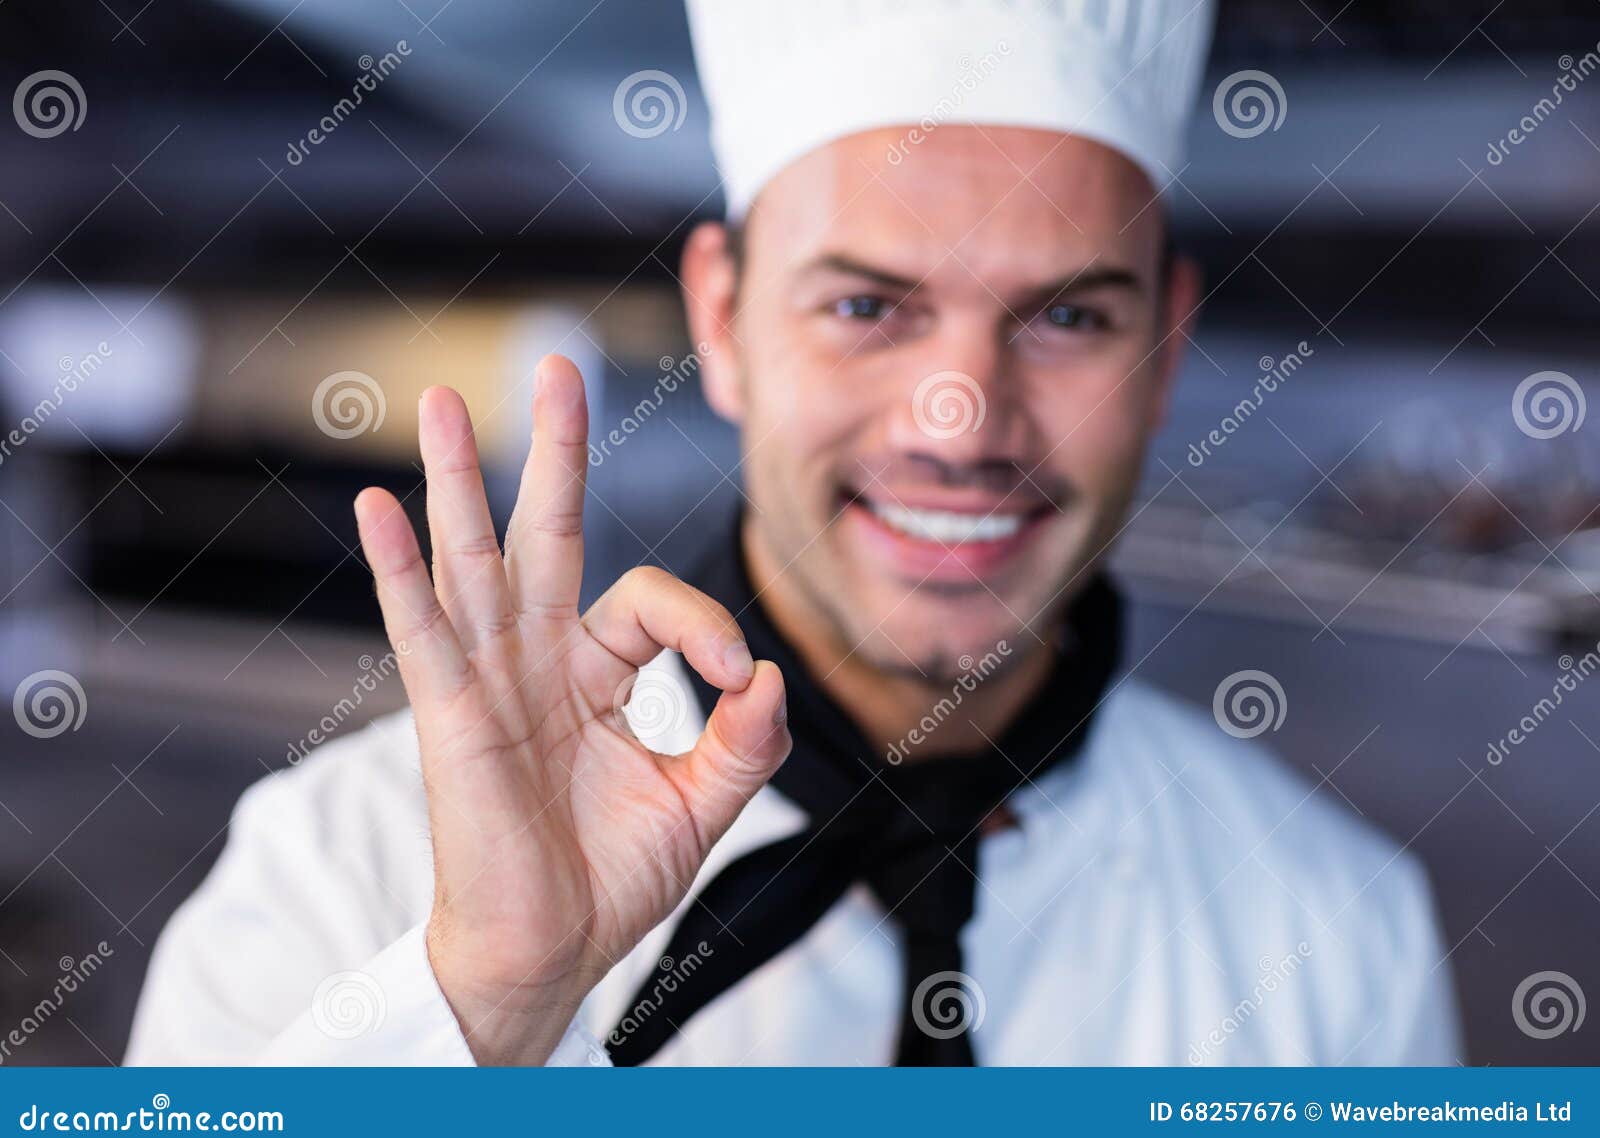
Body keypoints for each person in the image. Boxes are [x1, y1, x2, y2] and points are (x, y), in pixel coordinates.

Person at [127, 0, 1461, 1066]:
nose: (966, 419)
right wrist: (489, 1005)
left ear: (1165, 346)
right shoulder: (343, 868)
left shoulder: (1338, 933)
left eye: (1068, 317)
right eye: (869, 307)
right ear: (722, 319)